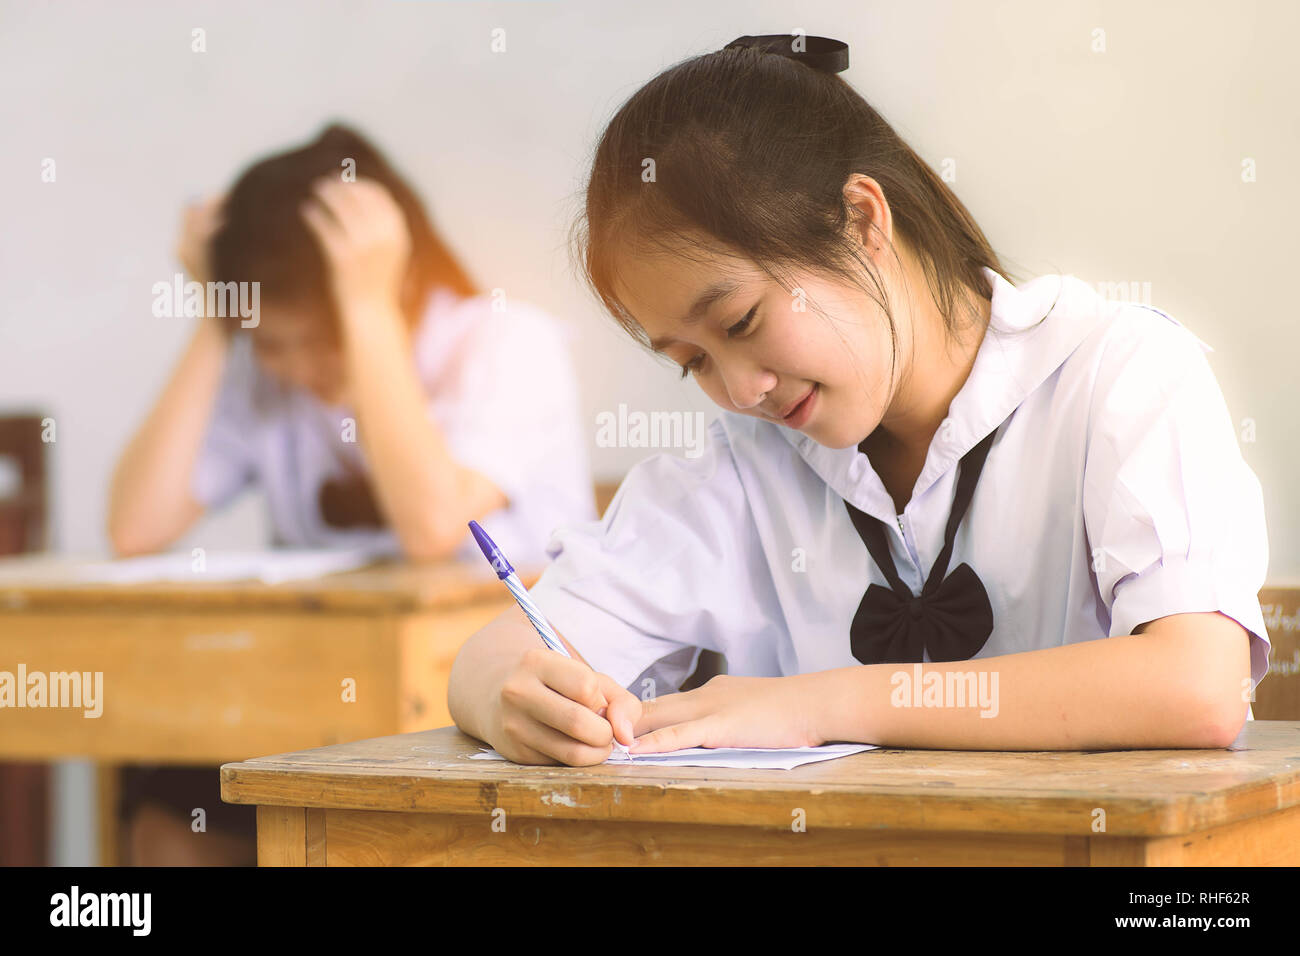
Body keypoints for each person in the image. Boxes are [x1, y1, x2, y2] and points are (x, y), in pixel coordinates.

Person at [447, 35, 1271, 767]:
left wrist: (814, 705)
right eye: (690, 361)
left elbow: (1196, 685)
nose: (740, 390)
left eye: (742, 320)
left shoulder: (1114, 376)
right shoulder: (739, 473)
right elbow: (491, 659)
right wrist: (509, 700)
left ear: (861, 219)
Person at [108, 122, 595, 863]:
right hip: (320, 706)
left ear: (388, 279)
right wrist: (218, 317)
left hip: (494, 713)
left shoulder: (503, 345)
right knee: (169, 824)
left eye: (323, 336)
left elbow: (433, 525)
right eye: (274, 343)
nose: (302, 367)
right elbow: (136, 526)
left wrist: (367, 310)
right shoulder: (265, 370)